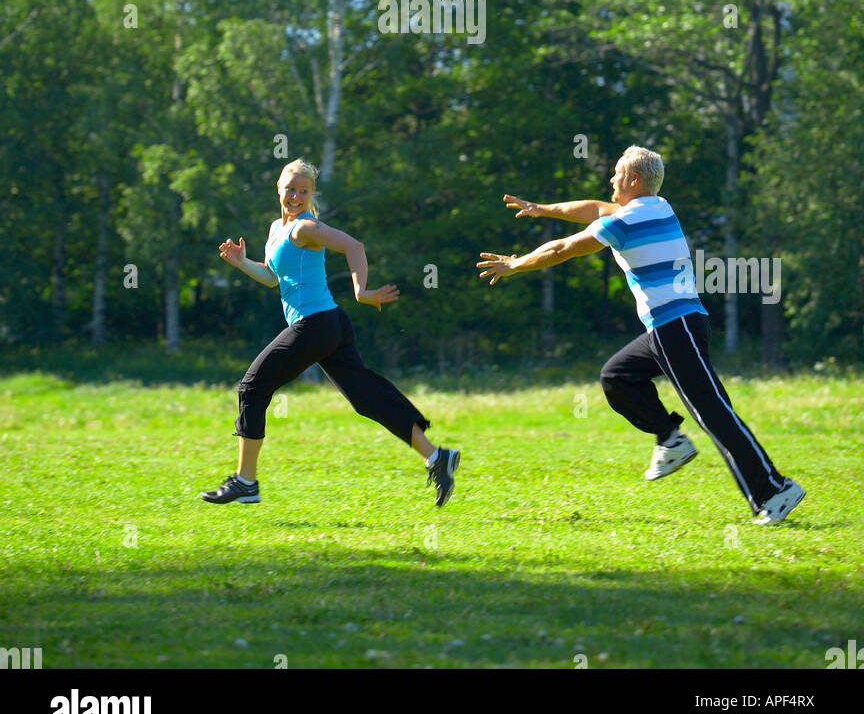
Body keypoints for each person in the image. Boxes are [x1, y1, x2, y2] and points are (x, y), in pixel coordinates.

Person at [477, 145, 804, 526]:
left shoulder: (627, 221)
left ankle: (775, 490)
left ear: (633, 180)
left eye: (617, 173)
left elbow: (565, 248)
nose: (611, 179)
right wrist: (543, 209)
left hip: (675, 327)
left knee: (715, 414)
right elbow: (593, 208)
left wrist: (515, 264)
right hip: (670, 328)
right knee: (617, 377)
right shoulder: (657, 206)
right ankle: (670, 437)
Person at [202, 157, 460, 507]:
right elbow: (275, 278)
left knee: (252, 386)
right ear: (278, 187)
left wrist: (361, 292)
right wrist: (243, 263)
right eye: (290, 189)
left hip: (316, 324)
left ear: (310, 195)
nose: (295, 196)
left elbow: (354, 246)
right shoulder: (277, 228)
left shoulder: (303, 229)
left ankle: (246, 482)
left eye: (303, 191)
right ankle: (436, 457)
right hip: (328, 325)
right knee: (366, 396)